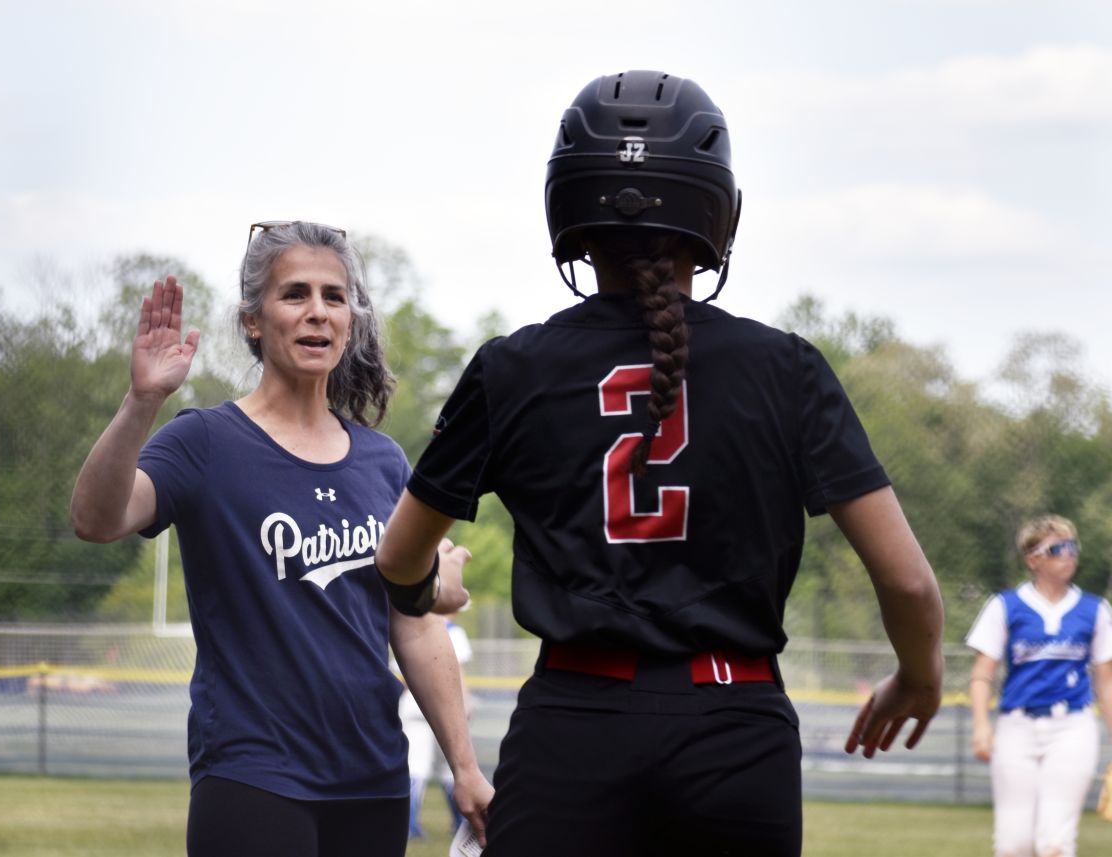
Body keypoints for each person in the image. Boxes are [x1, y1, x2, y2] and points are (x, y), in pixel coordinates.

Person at [375, 70, 945, 857]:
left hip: (574, 720)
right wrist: (919, 672)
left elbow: (399, 556)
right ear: (717, 213)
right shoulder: (785, 368)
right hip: (735, 727)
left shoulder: (515, 368)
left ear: (566, 209)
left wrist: (421, 587)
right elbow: (910, 581)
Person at [70, 221, 491, 857]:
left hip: (372, 777)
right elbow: (97, 520)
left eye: (334, 296)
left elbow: (414, 623)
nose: (318, 311)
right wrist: (142, 400)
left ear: (350, 319)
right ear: (253, 321)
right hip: (253, 776)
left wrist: (464, 766)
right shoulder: (205, 442)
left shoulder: (382, 462)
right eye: (295, 294)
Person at [966, 514, 1112, 857]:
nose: (1069, 554)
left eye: (1072, 546)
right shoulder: (1006, 606)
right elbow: (982, 673)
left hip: (1073, 727)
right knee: (1012, 844)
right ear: (1033, 559)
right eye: (1058, 548)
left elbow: (1106, 681)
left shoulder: (1095, 610)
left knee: (1055, 841)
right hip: (1017, 727)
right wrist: (980, 724)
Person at [400, 611, 473, 838]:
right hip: (443, 703)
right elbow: (456, 671)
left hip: (411, 703)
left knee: (415, 767)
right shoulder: (451, 630)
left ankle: (409, 825)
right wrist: (466, 703)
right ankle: (460, 823)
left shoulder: (411, 621)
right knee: (451, 768)